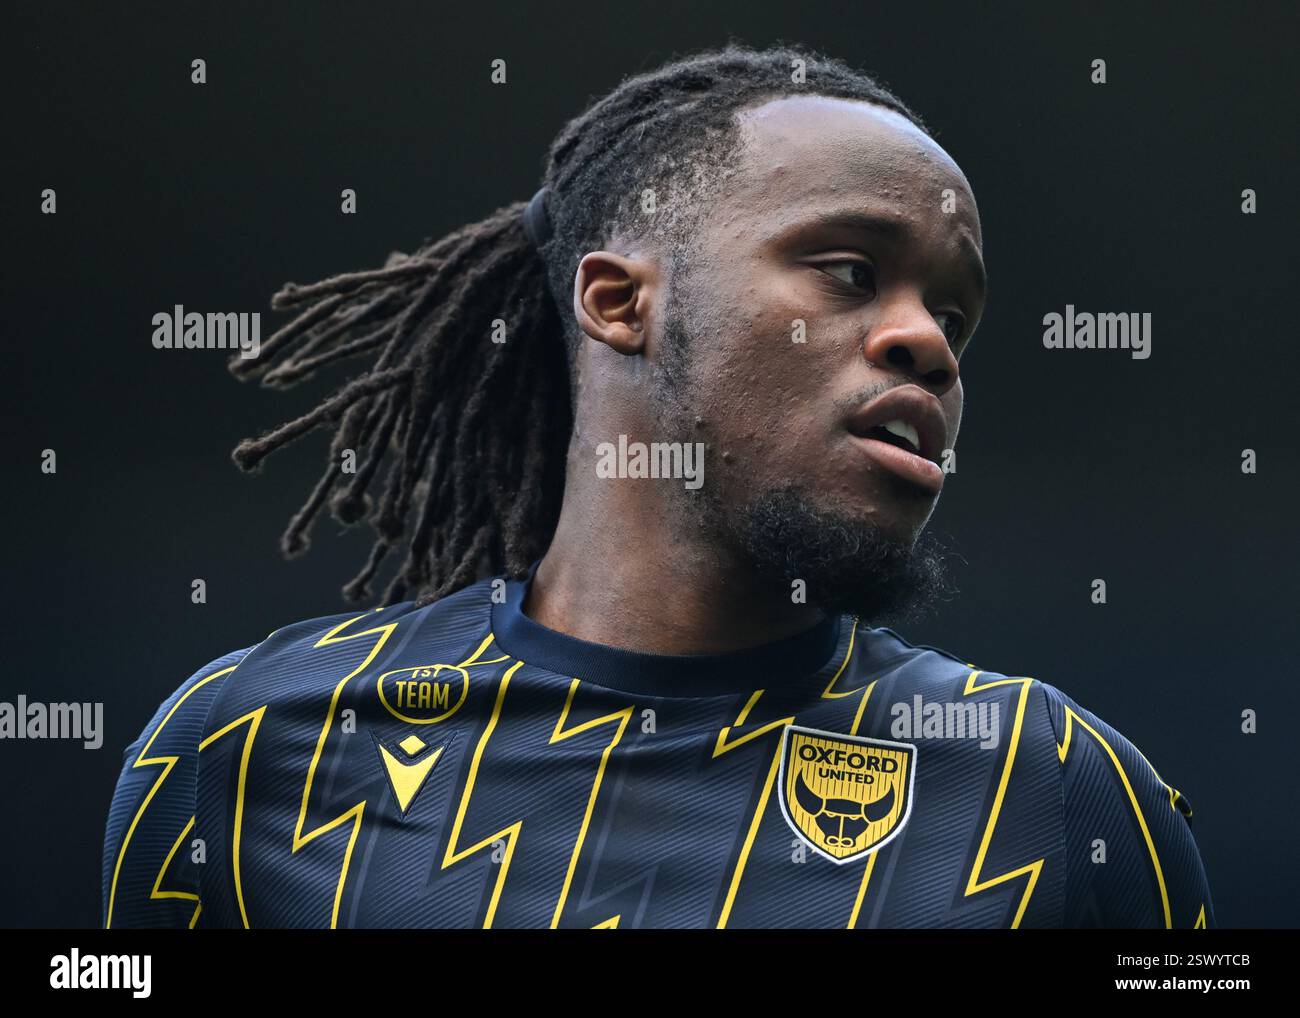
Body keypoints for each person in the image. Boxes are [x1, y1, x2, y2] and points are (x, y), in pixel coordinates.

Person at [102, 44, 1214, 929]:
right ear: (618, 302)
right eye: (849, 272)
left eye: (954, 315)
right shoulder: (246, 753)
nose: (928, 342)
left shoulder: (1057, 792)